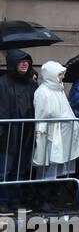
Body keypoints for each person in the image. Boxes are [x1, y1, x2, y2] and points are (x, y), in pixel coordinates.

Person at [32, 61, 79, 209]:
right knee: (48, 168)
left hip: (63, 135)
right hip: (50, 135)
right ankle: (43, 199)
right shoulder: (43, 92)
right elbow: (43, 115)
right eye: (60, 74)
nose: (62, 77)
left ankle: (53, 198)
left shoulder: (59, 89)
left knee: (58, 169)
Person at [0, 50, 38, 210]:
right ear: (13, 63)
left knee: (20, 171)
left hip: (26, 133)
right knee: (4, 171)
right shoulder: (2, 83)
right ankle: (2, 202)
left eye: (27, 61)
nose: (24, 64)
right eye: (21, 61)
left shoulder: (31, 84)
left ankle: (15, 201)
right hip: (7, 134)